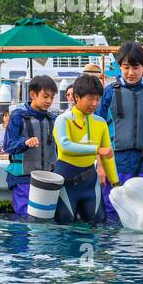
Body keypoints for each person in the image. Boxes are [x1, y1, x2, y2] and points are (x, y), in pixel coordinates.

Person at [96, 41, 143, 220]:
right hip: (114, 163)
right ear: (120, 67)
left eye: (135, 67)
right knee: (112, 211)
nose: (130, 73)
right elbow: (97, 131)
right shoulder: (108, 93)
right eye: (126, 67)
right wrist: (99, 165)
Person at [52, 73, 118, 224]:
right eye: (90, 98)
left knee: (98, 225)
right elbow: (65, 145)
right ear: (76, 97)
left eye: (97, 99)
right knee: (65, 227)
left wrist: (115, 183)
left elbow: (108, 155)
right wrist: (97, 150)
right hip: (66, 181)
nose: (94, 103)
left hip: (90, 182)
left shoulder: (100, 123)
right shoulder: (63, 120)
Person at [2, 76, 58, 217]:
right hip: (23, 179)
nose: (49, 101)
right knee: (24, 218)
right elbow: (8, 146)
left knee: (45, 219)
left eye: (52, 97)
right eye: (45, 96)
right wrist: (24, 142)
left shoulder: (53, 120)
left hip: (47, 179)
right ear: (33, 94)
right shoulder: (17, 116)